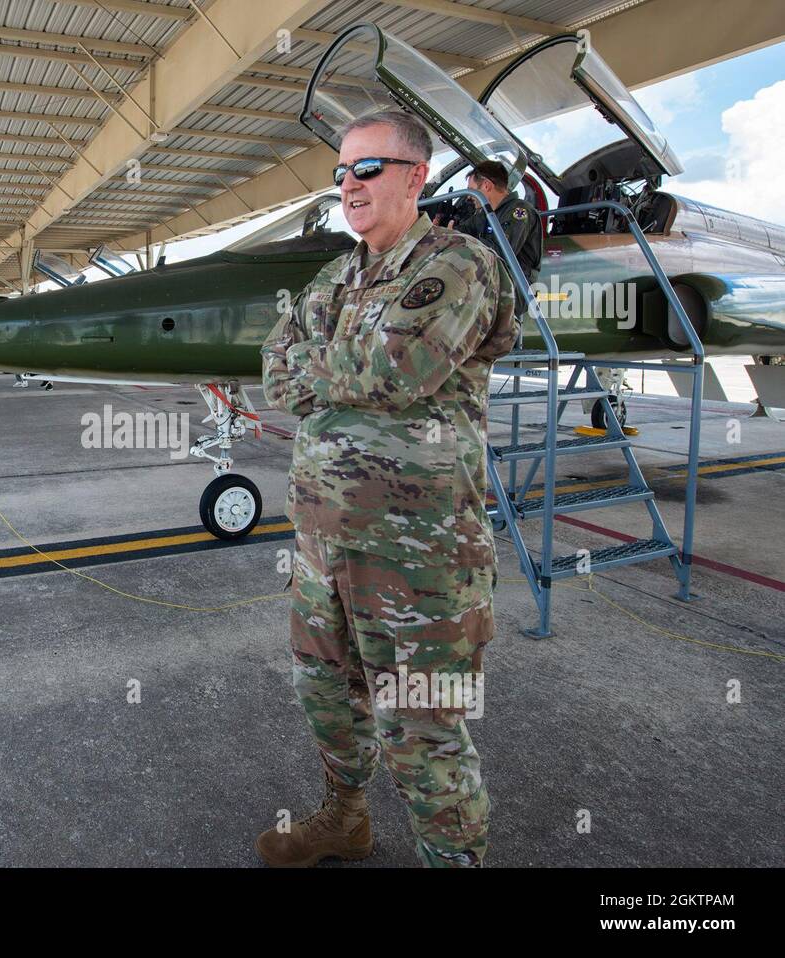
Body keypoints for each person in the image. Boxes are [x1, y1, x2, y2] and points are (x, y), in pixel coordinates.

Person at [257, 111, 517, 868]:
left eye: (366, 169)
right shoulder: (338, 275)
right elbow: (275, 370)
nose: (348, 185)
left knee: (423, 731)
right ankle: (345, 818)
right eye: (340, 172)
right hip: (322, 547)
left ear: (413, 176)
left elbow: (401, 369)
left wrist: (327, 366)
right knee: (328, 700)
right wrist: (339, 364)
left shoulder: (459, 264)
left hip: (420, 555)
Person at [444, 159, 542, 285]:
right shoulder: (484, 214)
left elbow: (501, 253)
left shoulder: (519, 211)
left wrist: (461, 239)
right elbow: (463, 231)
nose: (469, 196)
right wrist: (447, 232)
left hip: (515, 286)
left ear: (486, 185)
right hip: (493, 278)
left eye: (472, 190)